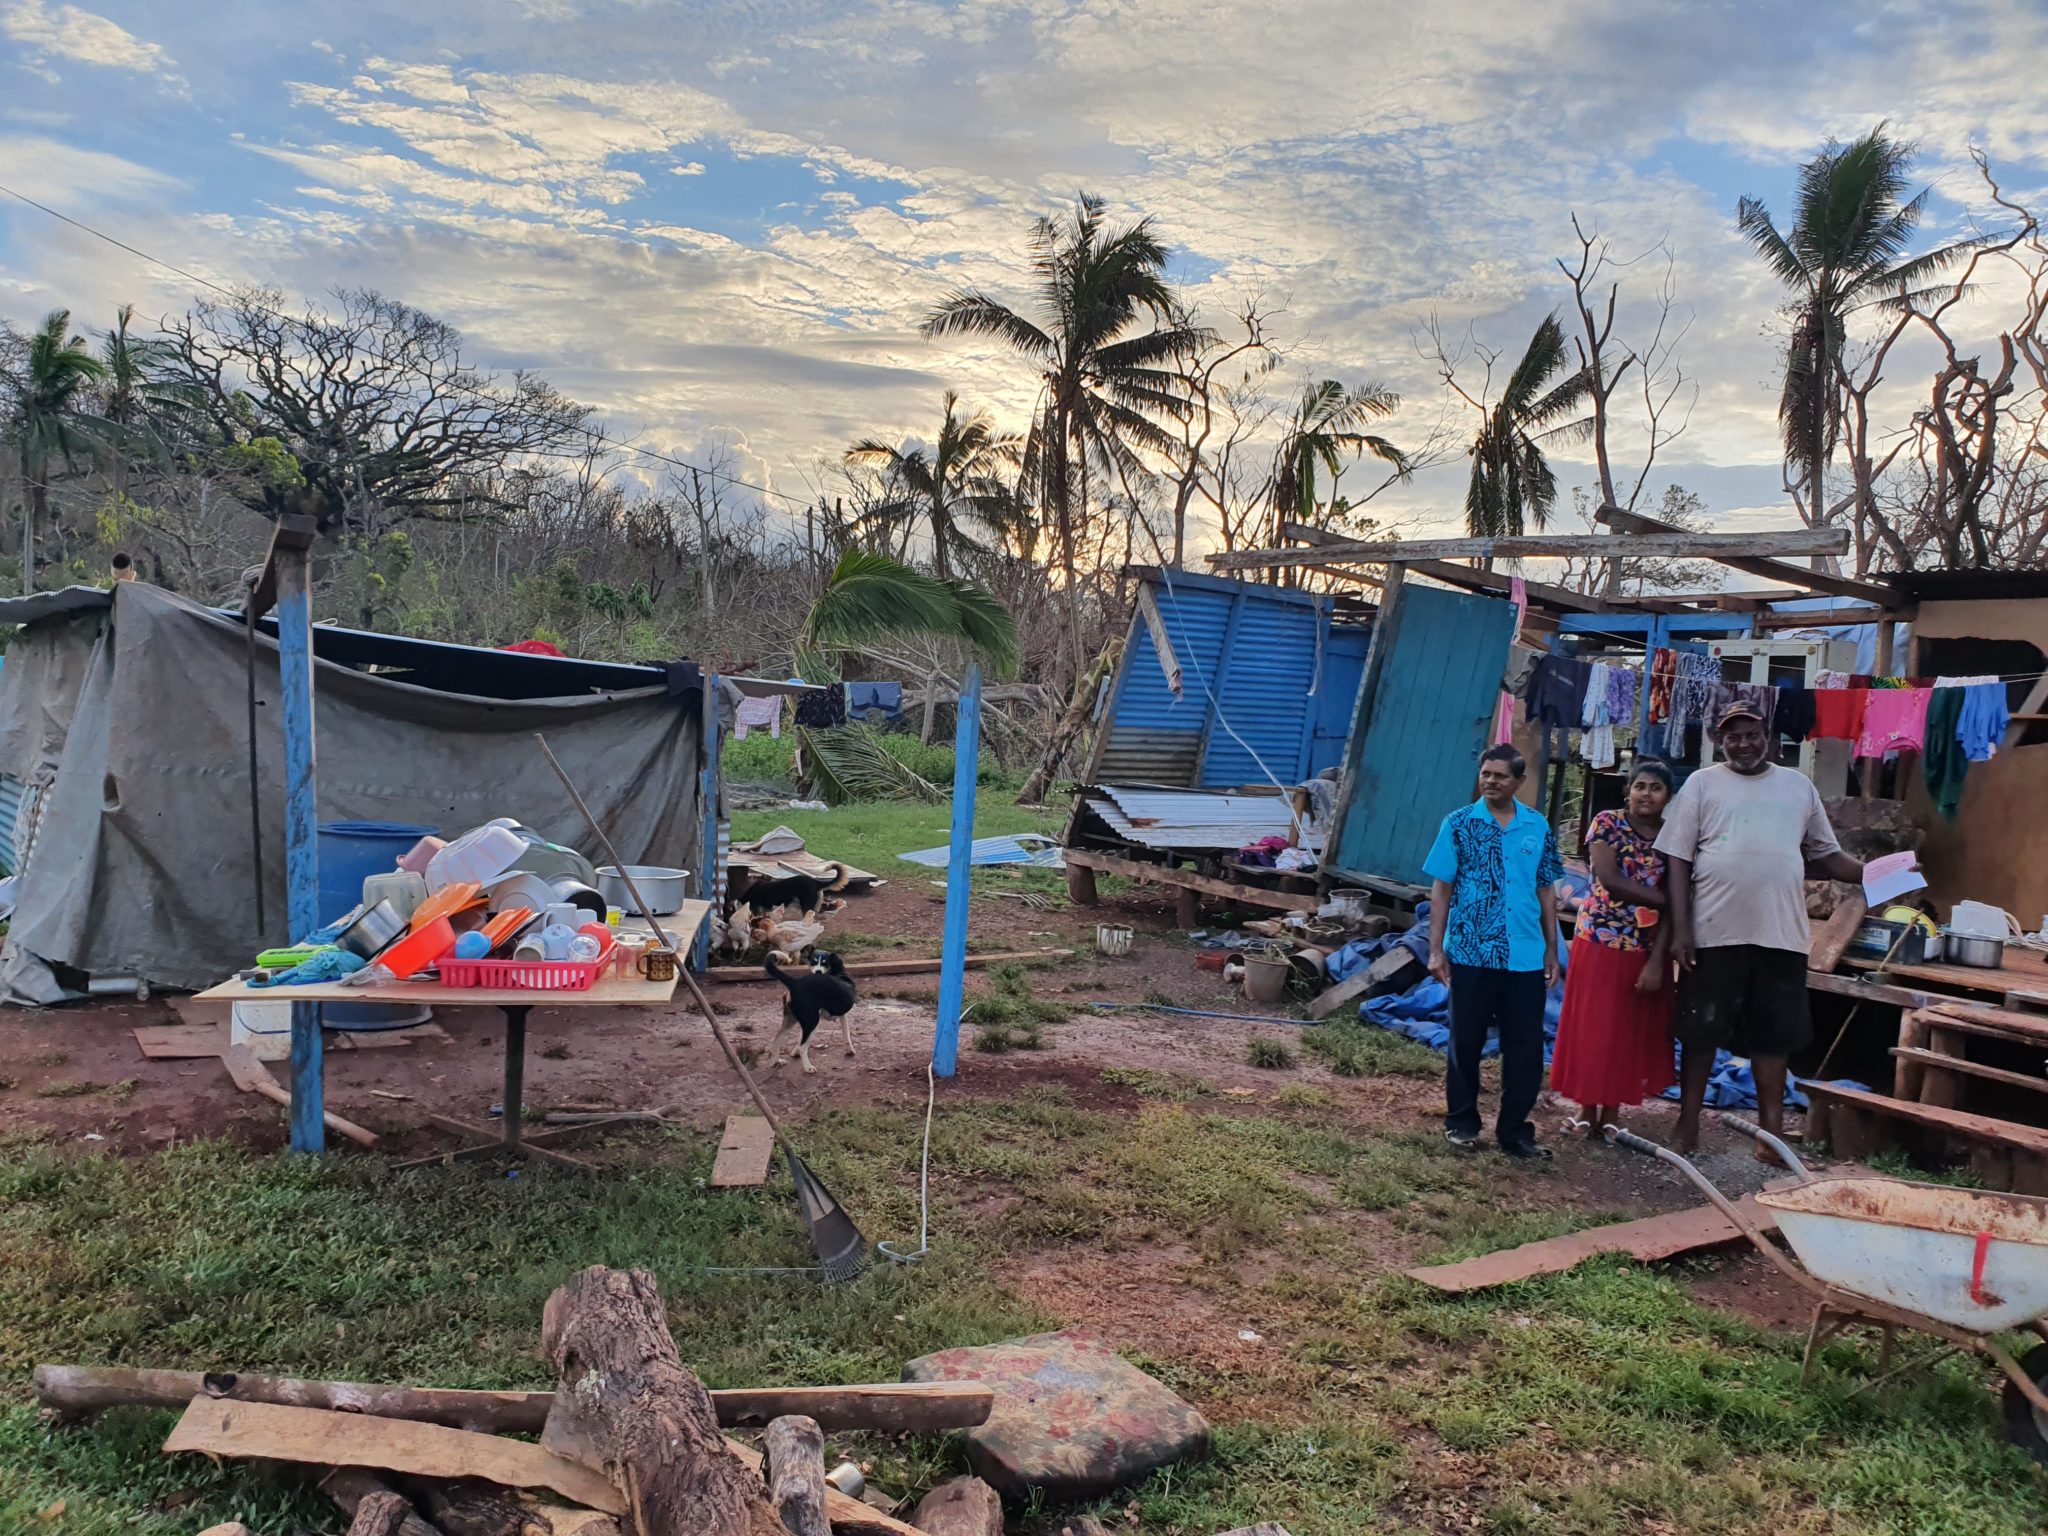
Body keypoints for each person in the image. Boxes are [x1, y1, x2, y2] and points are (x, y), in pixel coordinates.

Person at [1658, 699, 1864, 1156]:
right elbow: (1677, 857)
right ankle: (1687, 1124)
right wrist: (1682, 929)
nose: (1744, 743)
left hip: (1781, 934)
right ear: (1718, 741)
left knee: (1774, 1036)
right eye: (1733, 735)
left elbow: (1827, 855)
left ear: (1769, 736)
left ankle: (1770, 1134)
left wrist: (1879, 872)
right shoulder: (1701, 784)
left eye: (1752, 734)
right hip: (1713, 931)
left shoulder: (1797, 787)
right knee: (1700, 1032)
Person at [1425, 743, 1565, 1161]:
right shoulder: (1458, 824)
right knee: (1465, 1041)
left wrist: (1552, 950)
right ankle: (1462, 1124)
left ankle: (1515, 1133)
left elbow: (1546, 890)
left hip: (1523, 956)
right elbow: (1441, 889)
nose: (1490, 781)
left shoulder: (1536, 827)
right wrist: (1436, 950)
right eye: (1485, 774)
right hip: (1470, 951)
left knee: (1524, 1048)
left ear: (1519, 782)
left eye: (1500, 775)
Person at [1550, 760, 1677, 1138]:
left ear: (1667, 797)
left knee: (1627, 1031)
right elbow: (1608, 878)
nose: (1646, 794)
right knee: (1596, 1027)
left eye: (1656, 787)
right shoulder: (1606, 822)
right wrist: (1668, 900)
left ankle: (1613, 1115)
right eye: (1640, 786)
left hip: (1645, 946)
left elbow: (1678, 891)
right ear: (1628, 791)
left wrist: (1658, 960)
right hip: (1600, 940)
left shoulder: (1673, 837)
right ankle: (1587, 1109)